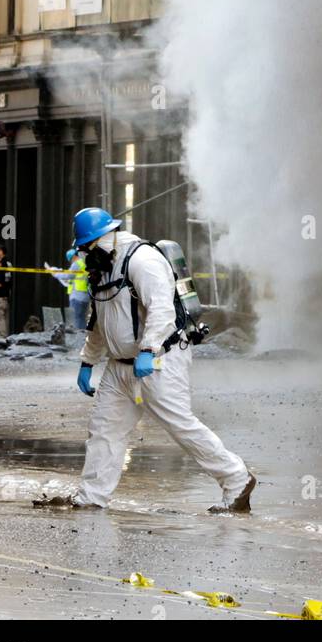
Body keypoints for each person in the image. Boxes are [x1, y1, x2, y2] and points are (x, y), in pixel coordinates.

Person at [69, 206, 255, 513]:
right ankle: (91, 496)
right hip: (119, 367)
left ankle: (236, 478)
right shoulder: (103, 268)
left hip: (160, 360)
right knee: (104, 430)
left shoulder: (142, 260)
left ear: (105, 238)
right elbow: (100, 320)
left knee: (179, 424)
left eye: (88, 246)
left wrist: (148, 350)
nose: (86, 254)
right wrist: (88, 361)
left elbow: (162, 310)